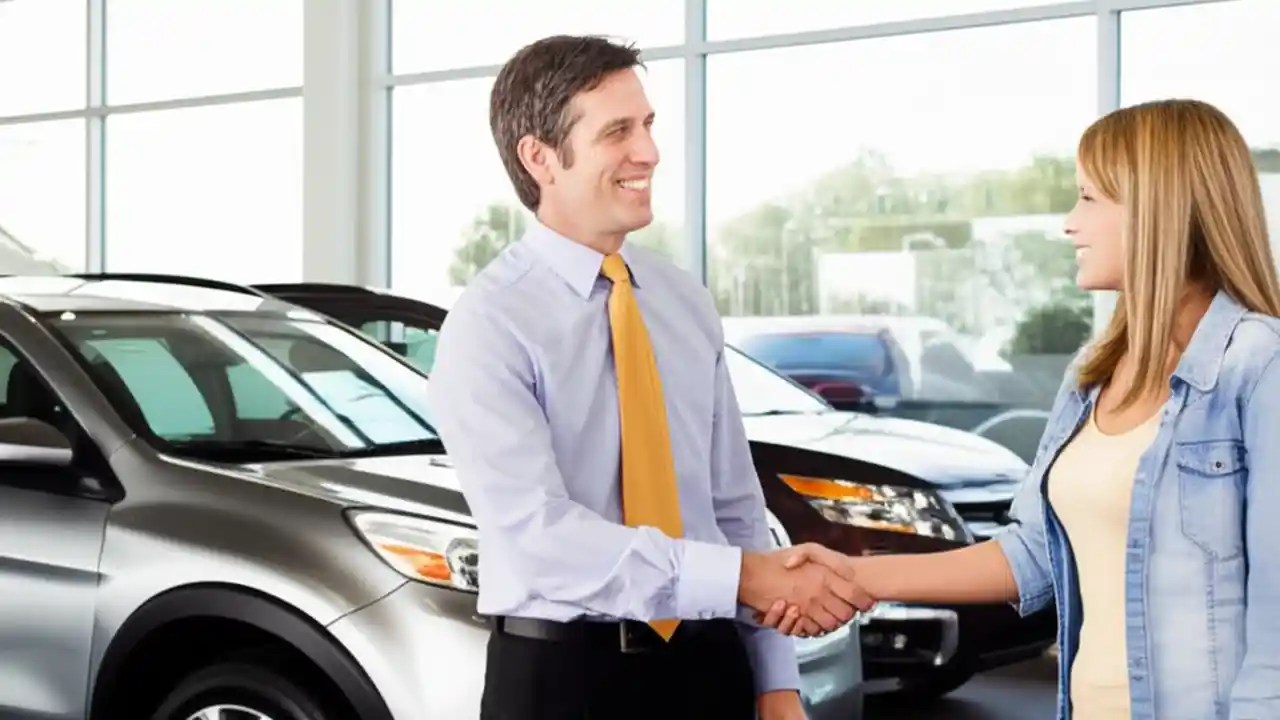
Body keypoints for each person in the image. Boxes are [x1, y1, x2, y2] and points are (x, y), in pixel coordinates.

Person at [761, 98, 1280, 719]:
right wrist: (856, 575)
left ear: (1158, 209)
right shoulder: (1096, 373)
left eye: (1089, 198)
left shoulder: (1257, 366)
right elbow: (1032, 554)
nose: (1069, 223)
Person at [428, 35, 872, 720]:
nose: (649, 153)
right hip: (563, 681)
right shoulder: (489, 325)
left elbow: (733, 505)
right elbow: (539, 538)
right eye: (618, 132)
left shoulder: (682, 301)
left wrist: (776, 680)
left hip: (710, 667)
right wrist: (744, 579)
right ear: (540, 157)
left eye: (648, 126)